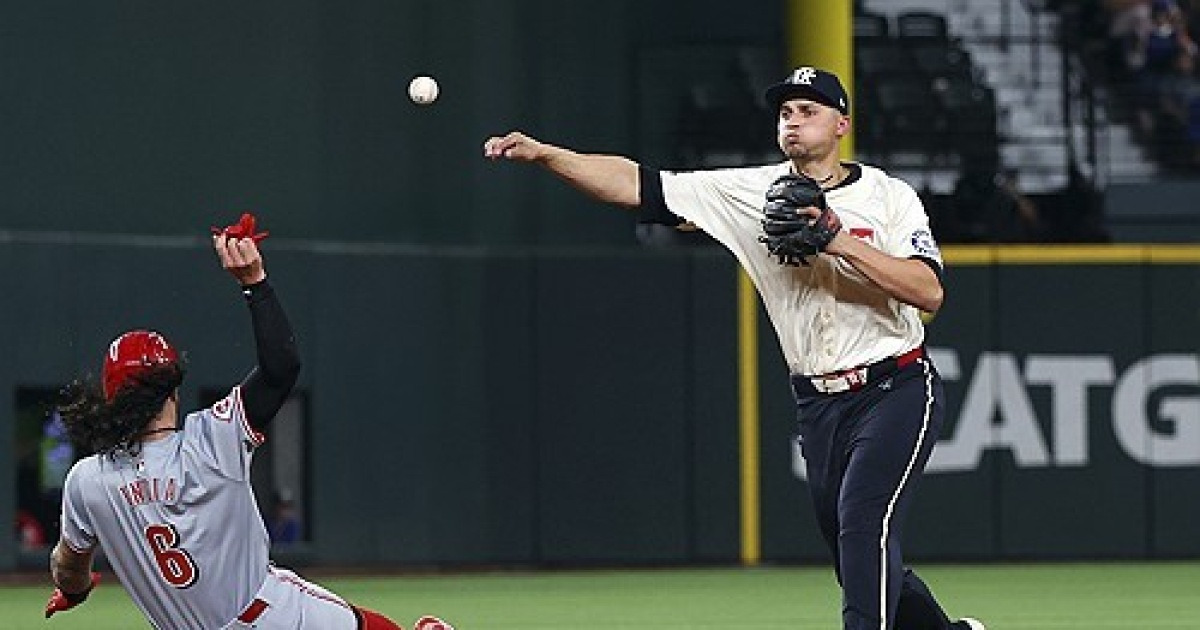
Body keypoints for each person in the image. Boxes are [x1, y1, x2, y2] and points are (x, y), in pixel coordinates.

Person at [484, 67, 984, 630]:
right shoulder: (748, 193)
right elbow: (637, 185)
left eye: (809, 110)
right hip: (819, 404)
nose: (793, 121)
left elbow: (928, 291)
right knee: (856, 559)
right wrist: (548, 155)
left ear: (842, 124)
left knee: (864, 527)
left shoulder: (889, 197)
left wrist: (837, 240)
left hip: (895, 386)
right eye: (786, 112)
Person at [46, 214, 454, 630]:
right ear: (173, 391)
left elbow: (68, 567)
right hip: (273, 617)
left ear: (111, 399)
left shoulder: (87, 482)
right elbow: (280, 369)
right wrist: (254, 281)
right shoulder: (210, 439)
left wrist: (74, 591)